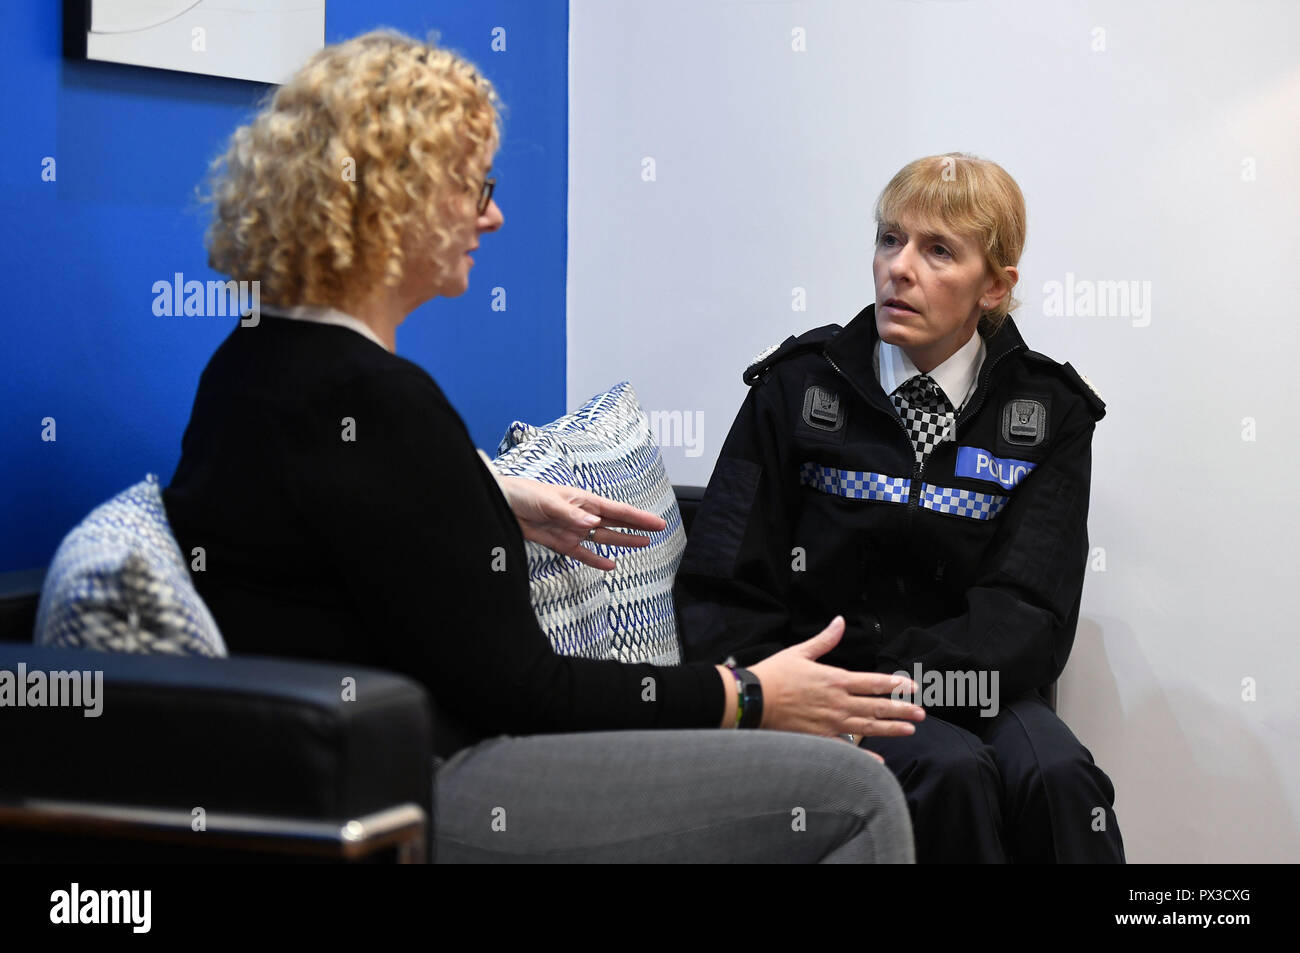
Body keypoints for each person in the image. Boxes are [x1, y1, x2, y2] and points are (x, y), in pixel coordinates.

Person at [161, 29, 925, 862]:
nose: (491, 215)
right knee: (857, 793)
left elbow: (352, 519)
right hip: (425, 781)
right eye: (472, 187)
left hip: (360, 765)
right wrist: (747, 693)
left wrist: (480, 489)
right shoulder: (372, 398)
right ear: (394, 200)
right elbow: (528, 691)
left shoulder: (253, 361)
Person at [674, 153, 1126, 863]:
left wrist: (907, 684)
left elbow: (1031, 608)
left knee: (1060, 777)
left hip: (981, 684)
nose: (899, 268)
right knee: (948, 769)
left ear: (995, 287)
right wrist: (778, 694)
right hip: (821, 686)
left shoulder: (1050, 412)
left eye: (938, 250)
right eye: (890, 239)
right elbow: (723, 582)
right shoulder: (795, 388)